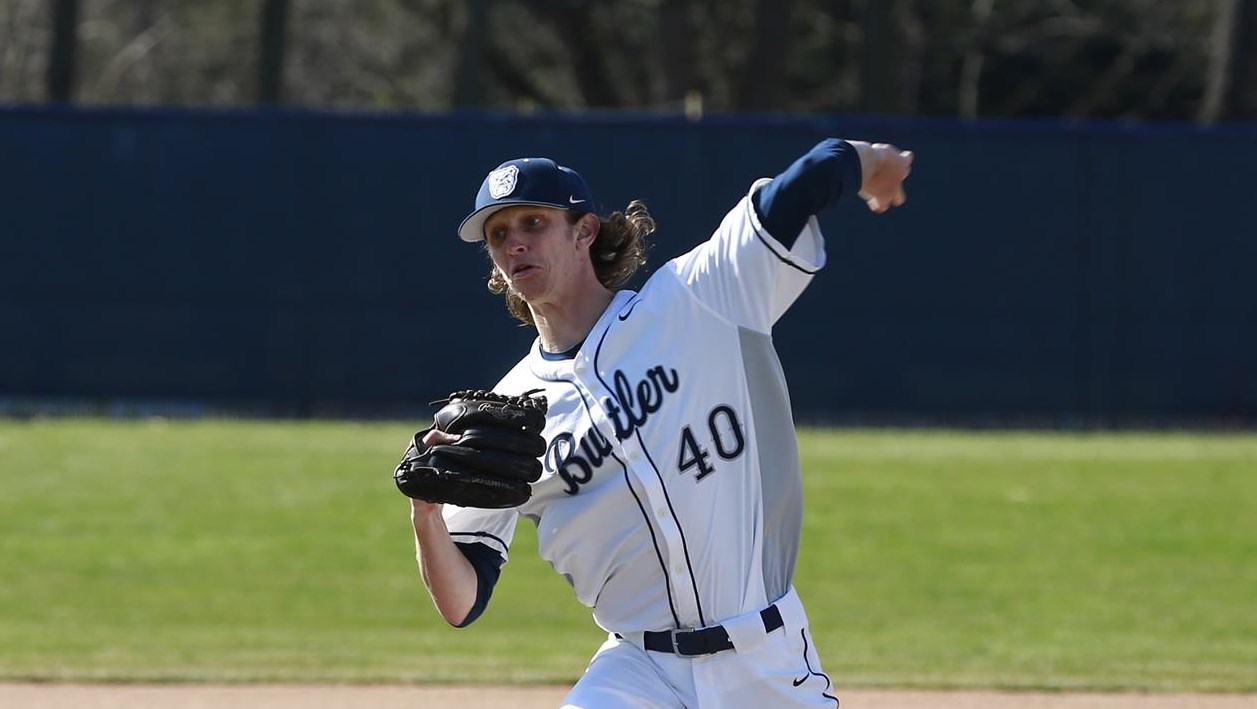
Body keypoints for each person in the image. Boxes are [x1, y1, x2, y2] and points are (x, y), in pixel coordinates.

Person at [408, 138, 914, 708]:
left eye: (534, 221)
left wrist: (875, 165)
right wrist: (425, 512)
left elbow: (806, 180)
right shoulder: (505, 414)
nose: (515, 242)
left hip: (763, 662)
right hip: (638, 670)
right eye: (498, 235)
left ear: (585, 231)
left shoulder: (695, 301)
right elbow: (462, 600)